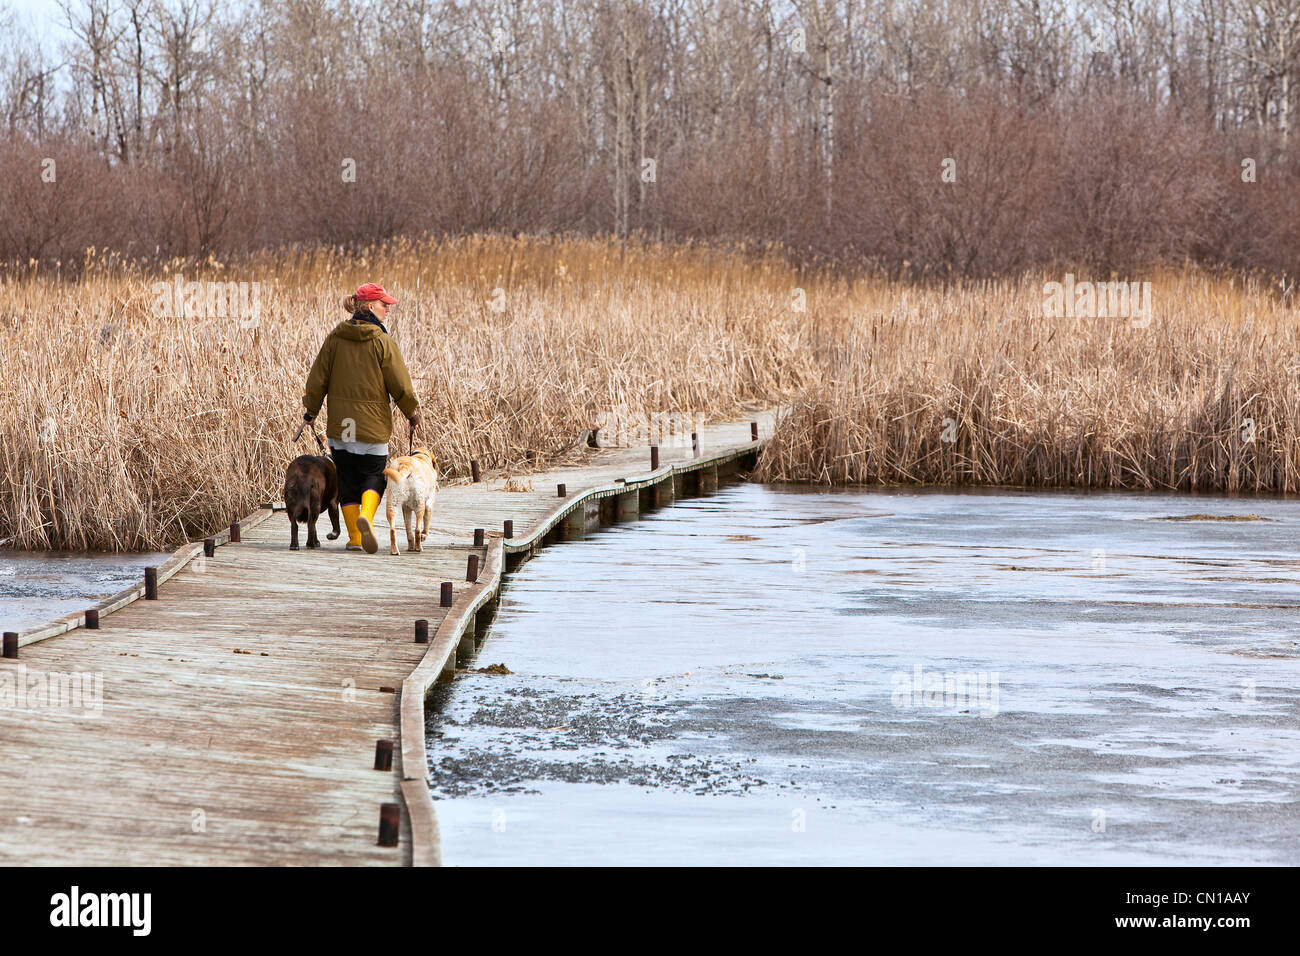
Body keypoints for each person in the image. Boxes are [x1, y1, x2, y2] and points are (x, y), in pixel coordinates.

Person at [301, 282, 421, 554]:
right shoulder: (382, 341)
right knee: (374, 477)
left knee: (347, 479)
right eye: (383, 304)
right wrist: (411, 412)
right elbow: (400, 384)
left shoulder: (335, 338)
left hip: (341, 427)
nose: (388, 309)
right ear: (369, 306)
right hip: (372, 426)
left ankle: (355, 536)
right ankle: (367, 515)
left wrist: (311, 410)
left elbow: (317, 379)